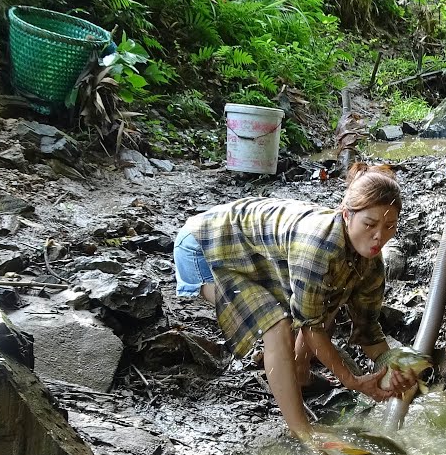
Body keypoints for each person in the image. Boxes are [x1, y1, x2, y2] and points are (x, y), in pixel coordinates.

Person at [172, 163, 417, 440]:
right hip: (204, 248)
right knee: (277, 326)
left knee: (327, 298)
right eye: (370, 224)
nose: (379, 237)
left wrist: (392, 365)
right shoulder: (319, 246)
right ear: (347, 215)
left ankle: (300, 374)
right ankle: (302, 432)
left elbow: (368, 329)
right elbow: (311, 327)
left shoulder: (370, 262)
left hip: (253, 254)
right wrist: (352, 381)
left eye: (389, 227)